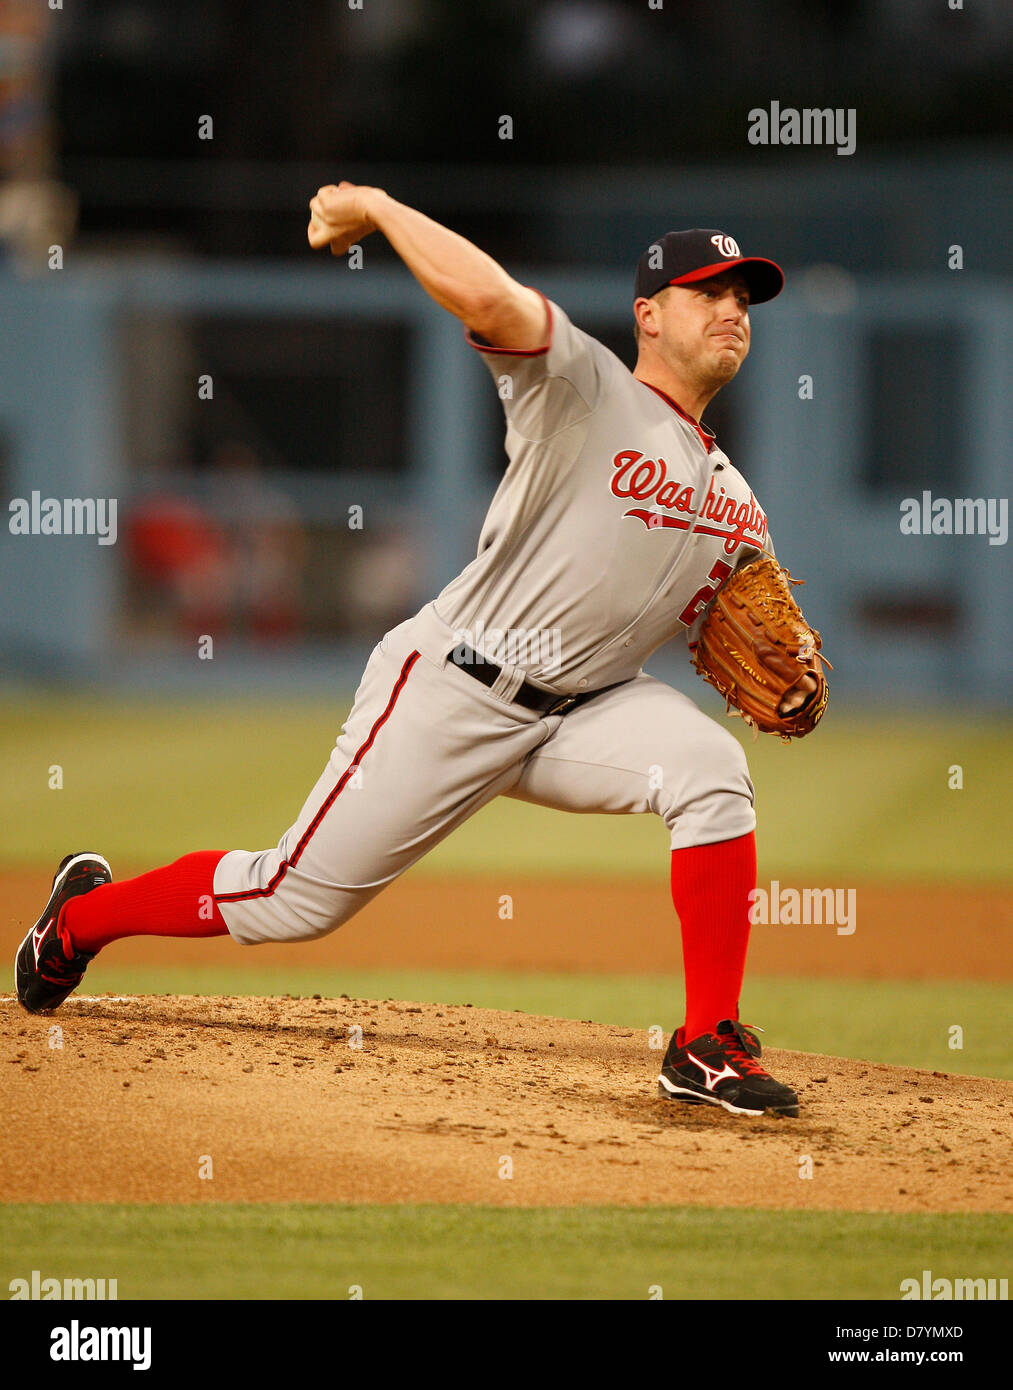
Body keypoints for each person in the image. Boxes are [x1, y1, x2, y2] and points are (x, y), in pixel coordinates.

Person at [16, 184, 825, 1118]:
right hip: (455, 686)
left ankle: (705, 1043)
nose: (732, 310)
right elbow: (487, 301)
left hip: (588, 709)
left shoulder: (737, 502)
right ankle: (78, 922)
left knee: (710, 769)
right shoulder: (584, 389)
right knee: (292, 901)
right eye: (707, 292)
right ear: (647, 314)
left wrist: (794, 664)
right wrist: (378, 206)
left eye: (744, 298)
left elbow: (739, 629)